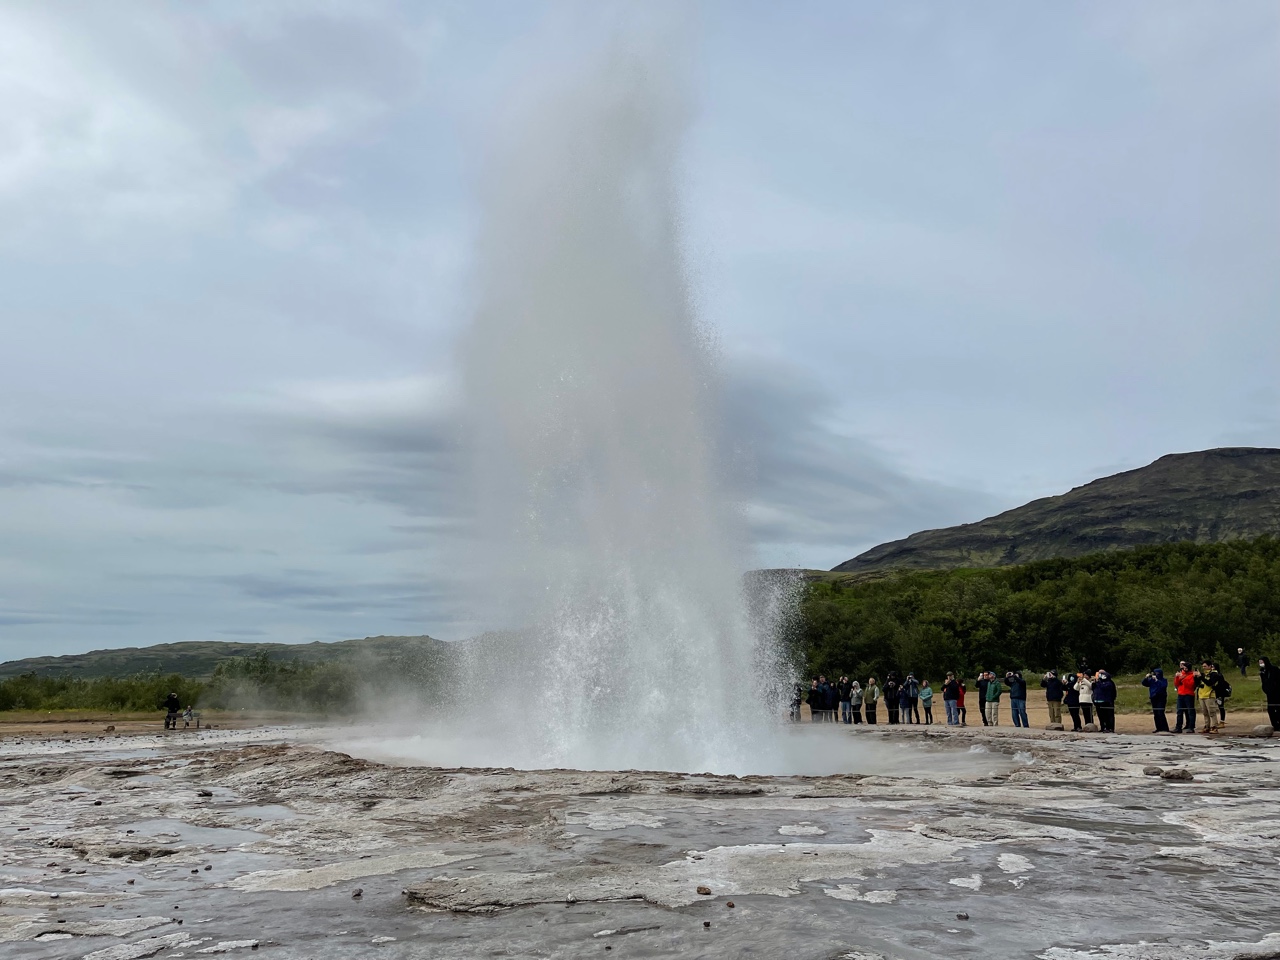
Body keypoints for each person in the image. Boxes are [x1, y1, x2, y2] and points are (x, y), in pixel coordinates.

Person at [1142, 667, 1169, 732]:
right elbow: (1144, 683)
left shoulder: (1164, 680)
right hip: (1153, 697)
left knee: (1160, 713)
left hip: (1161, 697)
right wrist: (1146, 678)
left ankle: (1165, 728)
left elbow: (1163, 686)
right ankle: (1158, 728)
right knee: (1156, 713)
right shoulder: (1151, 680)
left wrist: (1157, 680)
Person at [1173, 662, 1197, 733]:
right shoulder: (1182, 673)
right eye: (1184, 668)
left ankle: (1191, 727)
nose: (1184, 669)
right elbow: (1176, 684)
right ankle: (1178, 727)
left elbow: (1190, 685)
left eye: (1186, 668)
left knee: (1190, 711)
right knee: (1179, 711)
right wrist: (1177, 677)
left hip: (1189, 694)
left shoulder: (1192, 675)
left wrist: (1183, 679)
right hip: (1181, 694)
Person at [1196, 664, 1219, 733]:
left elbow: (1210, 683)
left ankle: (1215, 727)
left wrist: (1201, 677)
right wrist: (1196, 677)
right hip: (1202, 695)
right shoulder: (1203, 674)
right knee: (1205, 712)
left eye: (1205, 666)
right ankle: (1207, 726)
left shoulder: (1214, 674)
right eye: (1203, 666)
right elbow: (1197, 684)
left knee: (1212, 712)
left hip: (1209, 695)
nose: (1204, 668)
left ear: (1209, 666)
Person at [1259, 657, 1280, 731]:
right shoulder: (1262, 671)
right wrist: (1265, 689)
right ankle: (1275, 725)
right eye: (1259, 662)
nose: (1260, 664)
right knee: (1270, 709)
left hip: (1277, 692)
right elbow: (1263, 682)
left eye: (1262, 662)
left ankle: (1278, 723)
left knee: (1278, 708)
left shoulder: (1274, 669)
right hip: (1269, 693)